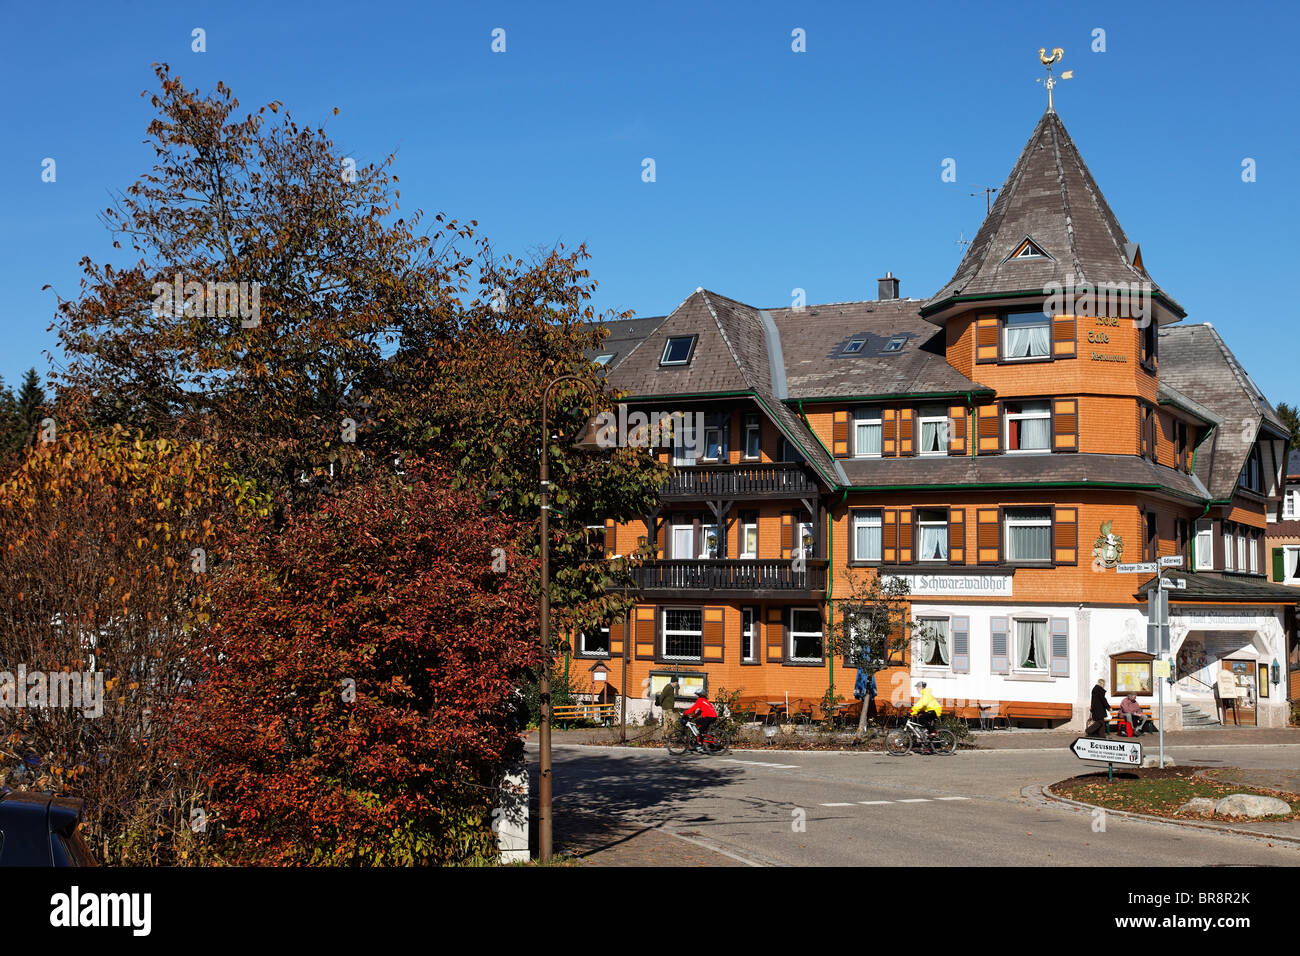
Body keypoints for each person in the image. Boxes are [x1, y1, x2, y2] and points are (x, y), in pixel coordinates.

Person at [910, 681, 942, 746]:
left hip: (934, 710)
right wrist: (913, 713)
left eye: (918, 687)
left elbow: (920, 704)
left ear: (921, 687)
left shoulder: (926, 694)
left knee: (922, 718)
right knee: (922, 722)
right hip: (930, 710)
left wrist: (910, 711)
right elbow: (922, 707)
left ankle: (933, 731)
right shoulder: (925, 694)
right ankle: (927, 745)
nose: (917, 689)